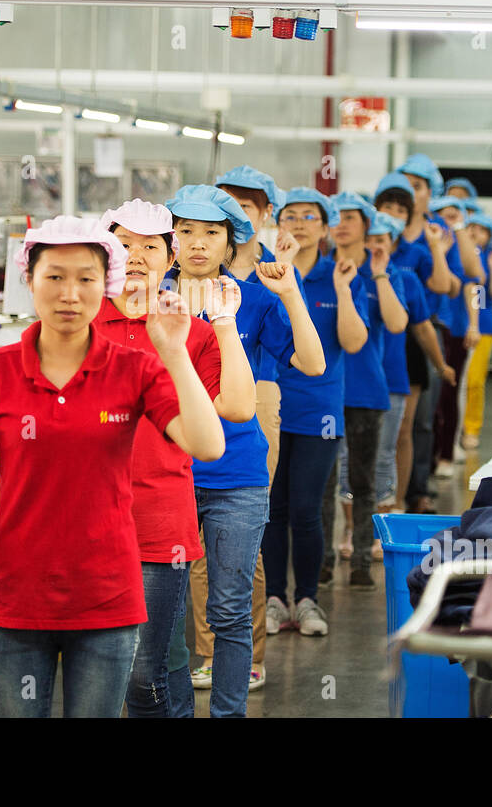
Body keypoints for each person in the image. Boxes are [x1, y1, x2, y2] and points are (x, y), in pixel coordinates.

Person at [0, 215, 224, 718]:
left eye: (86, 278)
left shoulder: (136, 370)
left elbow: (207, 444)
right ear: (29, 281)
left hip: (108, 596)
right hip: (15, 596)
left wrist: (174, 354)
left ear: (104, 284)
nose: (70, 293)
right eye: (55, 277)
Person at [161, 184, 324, 716]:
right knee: (163, 611)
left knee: (228, 609)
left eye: (212, 233)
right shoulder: (148, 299)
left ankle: (228, 711)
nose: (198, 243)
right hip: (164, 474)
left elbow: (313, 363)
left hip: (237, 473)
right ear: (171, 238)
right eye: (186, 231)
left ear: (231, 244)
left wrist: (290, 293)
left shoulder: (250, 299)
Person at [95, 198, 256, 719]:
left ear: (171, 257)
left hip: (158, 519)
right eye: (123, 245)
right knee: (103, 663)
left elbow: (236, 407)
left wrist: (225, 325)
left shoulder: (189, 328)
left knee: (145, 671)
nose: (136, 256)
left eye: (149, 246)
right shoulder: (76, 322)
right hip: (86, 519)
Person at [263, 187, 368, 638]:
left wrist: (343, 292)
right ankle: (273, 599)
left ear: (326, 229)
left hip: (318, 413)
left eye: (311, 216)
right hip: (268, 405)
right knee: (271, 508)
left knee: (307, 509)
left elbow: (353, 342)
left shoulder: (341, 275)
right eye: (291, 215)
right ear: (277, 223)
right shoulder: (265, 273)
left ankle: (306, 599)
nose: (301, 223)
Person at [320, 192, 408, 590]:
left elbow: (396, 323)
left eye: (350, 217)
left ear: (367, 224)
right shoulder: (318, 271)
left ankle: (360, 560)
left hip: (366, 390)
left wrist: (380, 273)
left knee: (363, 480)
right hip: (321, 390)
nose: (341, 223)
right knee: (323, 483)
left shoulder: (384, 274)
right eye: (335, 217)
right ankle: (321, 561)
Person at [374, 171, 456, 513]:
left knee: (402, 430)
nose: (393, 214)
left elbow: (441, 285)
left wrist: (437, 247)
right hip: (369, 342)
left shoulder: (415, 252)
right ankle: (367, 502)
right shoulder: (363, 249)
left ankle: (398, 500)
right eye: (387, 207)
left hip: (406, 344)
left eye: (400, 209)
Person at [429, 194, 485, 478]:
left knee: (450, 392)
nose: (446, 220)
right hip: (430, 324)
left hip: (456, 328)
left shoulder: (463, 247)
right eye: (441, 214)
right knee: (431, 397)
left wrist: (474, 325)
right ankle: (429, 456)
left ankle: (447, 454)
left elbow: (474, 283)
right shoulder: (429, 241)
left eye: (453, 215)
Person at [461, 211, 492, 450]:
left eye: (480, 229)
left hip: (484, 327)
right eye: (471, 227)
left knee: (474, 380)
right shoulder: (456, 252)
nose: (474, 232)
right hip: (457, 324)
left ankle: (471, 428)